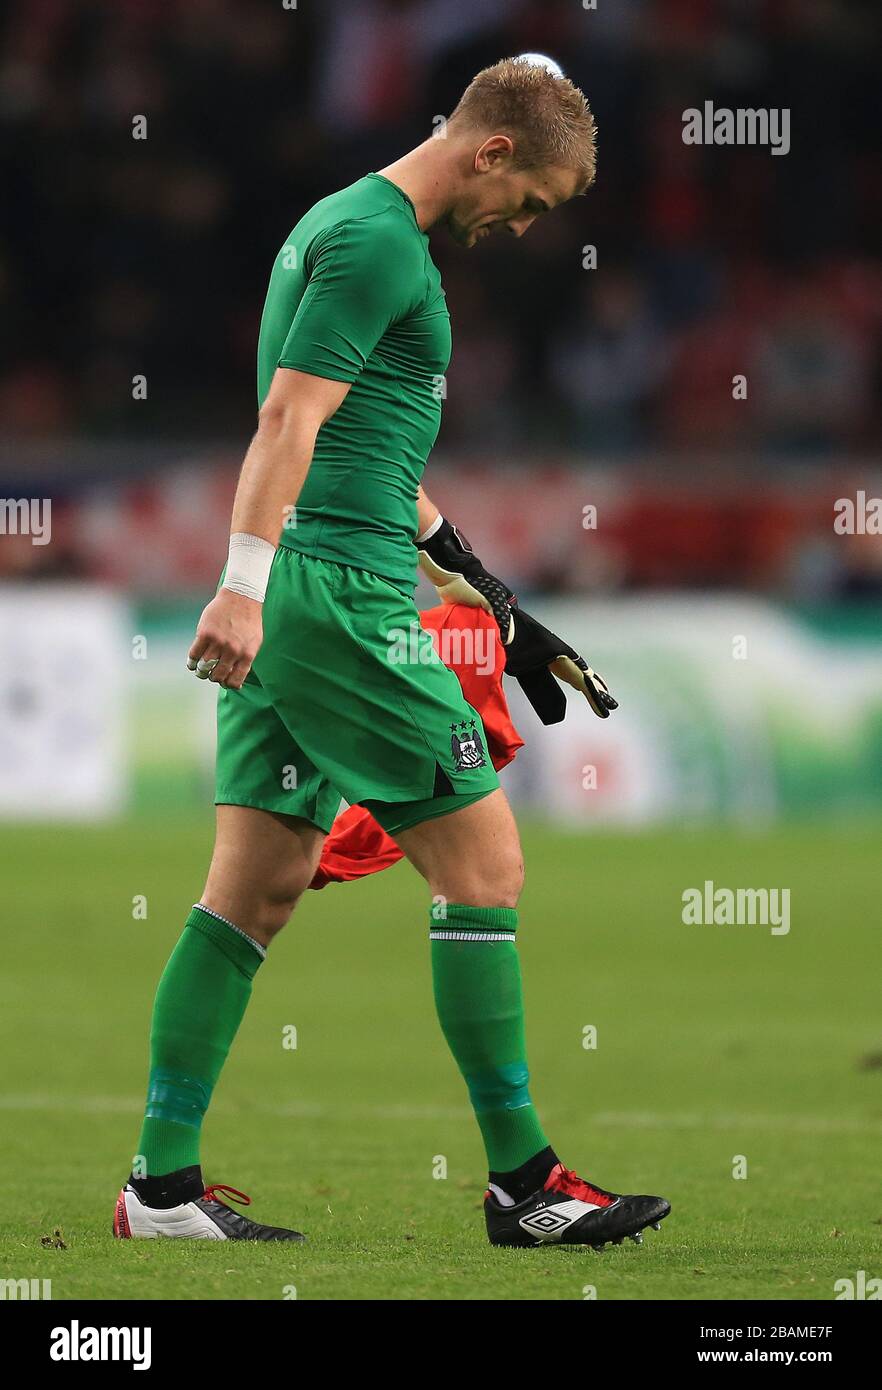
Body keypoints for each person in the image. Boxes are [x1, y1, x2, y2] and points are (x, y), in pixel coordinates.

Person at [114, 56, 670, 1249]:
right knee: (486, 865)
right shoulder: (381, 246)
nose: (524, 227)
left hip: (323, 581)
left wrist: (499, 601)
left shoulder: (346, 226)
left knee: (252, 888)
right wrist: (241, 588)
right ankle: (527, 1185)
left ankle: (159, 1190)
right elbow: (287, 420)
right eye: (532, 201)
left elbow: (375, 459)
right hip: (335, 599)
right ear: (493, 152)